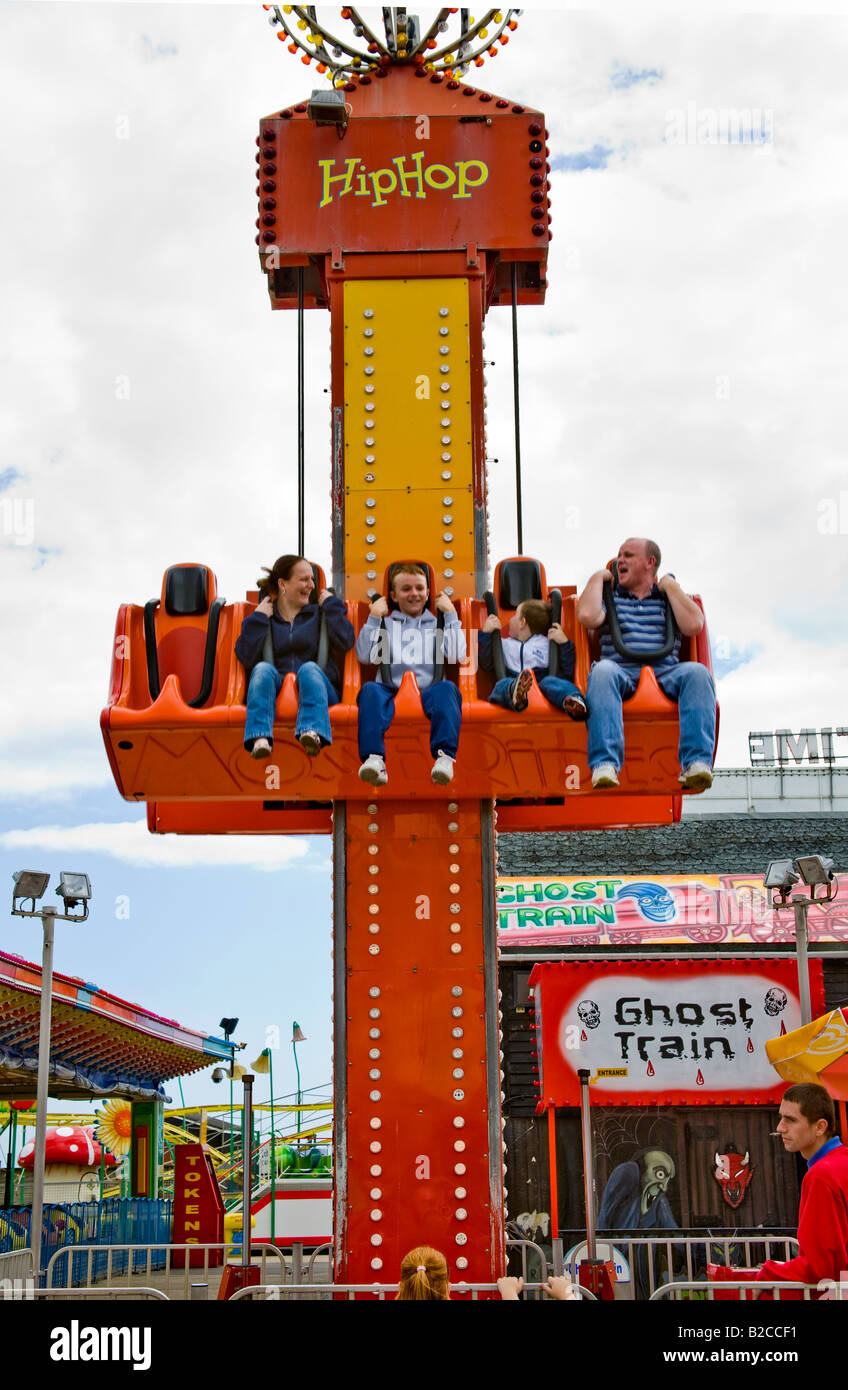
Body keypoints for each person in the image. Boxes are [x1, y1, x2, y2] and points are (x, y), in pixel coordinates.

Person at [576, 538, 716, 791]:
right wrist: (597, 578)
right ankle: (605, 764)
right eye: (619, 556)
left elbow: (694, 624)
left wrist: (671, 586)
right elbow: (586, 616)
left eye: (628, 555)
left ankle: (696, 763)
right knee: (602, 671)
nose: (620, 561)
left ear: (650, 563)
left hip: (667, 672)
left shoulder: (667, 598)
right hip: (621, 671)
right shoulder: (611, 598)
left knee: (697, 673)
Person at [234, 554, 354, 759]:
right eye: (304, 579)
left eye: (312, 579)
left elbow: (346, 641)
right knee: (262, 669)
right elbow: (245, 656)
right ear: (283, 584)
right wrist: (259, 618)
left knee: (308, 669)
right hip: (277, 688)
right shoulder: (264, 617)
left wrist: (332, 606)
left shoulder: (320, 613)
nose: (312, 585)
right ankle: (260, 738)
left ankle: (312, 732)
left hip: (320, 689)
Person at [356, 564, 465, 787]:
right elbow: (365, 656)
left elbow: (457, 654)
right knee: (369, 691)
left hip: (430, 689)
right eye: (406, 589)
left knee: (448, 691)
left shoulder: (438, 624)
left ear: (428, 593)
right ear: (394, 595)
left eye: (419, 588)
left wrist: (451, 615)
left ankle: (444, 758)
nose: (414, 594)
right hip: (390, 688)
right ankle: (375, 758)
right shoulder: (386, 624)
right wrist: (374, 618)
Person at [753, 1083, 848, 1291]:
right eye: (781, 1117)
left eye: (791, 1120)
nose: (780, 1127)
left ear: (820, 1127)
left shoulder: (821, 1175)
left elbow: (819, 1268)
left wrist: (769, 1273)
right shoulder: (841, 1163)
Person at [479, 598, 587, 718]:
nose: (510, 619)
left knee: (552, 682)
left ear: (522, 623)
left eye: (515, 615)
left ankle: (573, 700)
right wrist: (486, 634)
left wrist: (564, 643)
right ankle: (518, 694)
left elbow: (567, 670)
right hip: (512, 682)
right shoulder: (503, 644)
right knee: (501, 685)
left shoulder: (547, 644)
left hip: (540, 685)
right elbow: (486, 663)